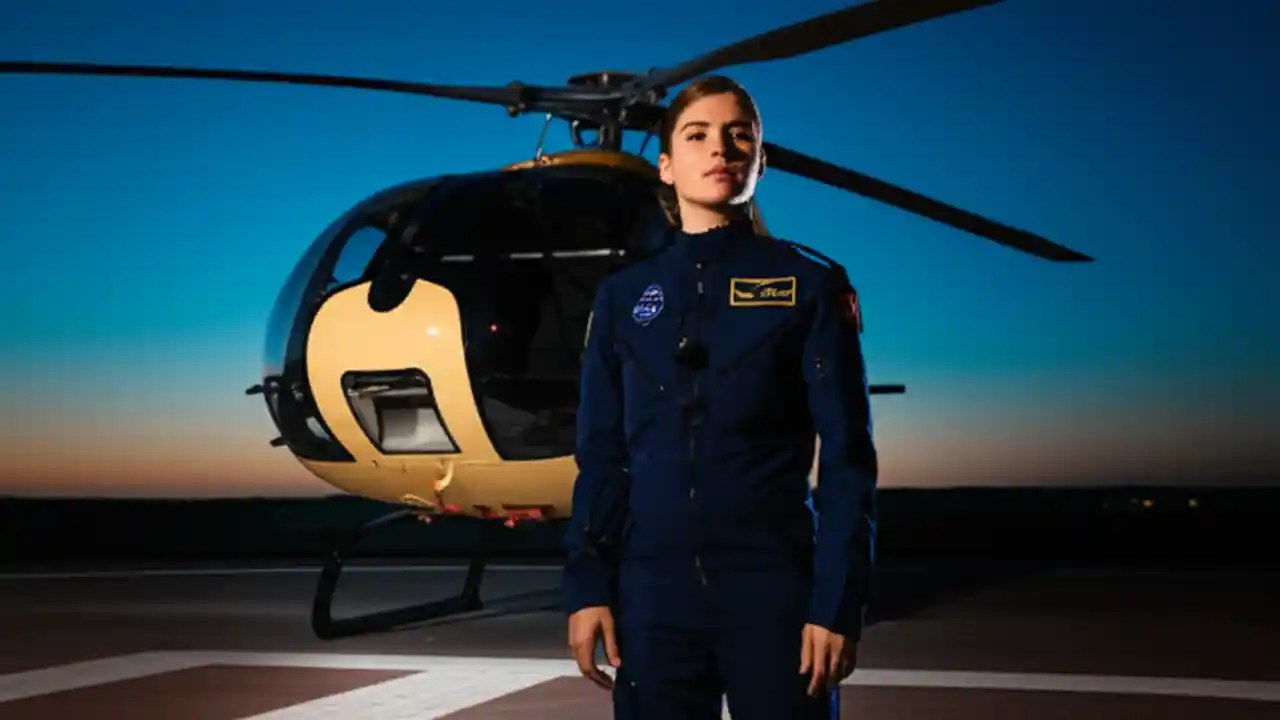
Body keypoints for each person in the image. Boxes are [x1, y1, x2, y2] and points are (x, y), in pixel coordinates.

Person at [562, 75, 878, 720]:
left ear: (760, 161)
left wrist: (836, 603)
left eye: (739, 136)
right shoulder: (623, 297)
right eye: (697, 135)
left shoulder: (808, 284)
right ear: (666, 165)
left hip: (774, 590)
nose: (720, 149)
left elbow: (848, 457)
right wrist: (588, 585)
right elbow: (602, 457)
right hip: (652, 596)